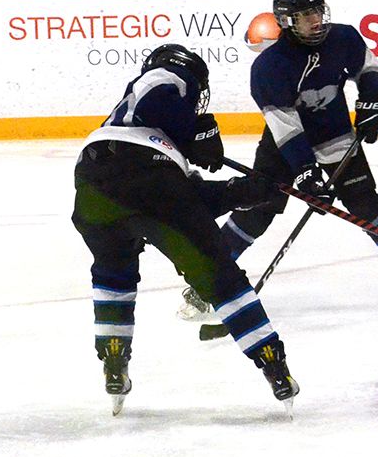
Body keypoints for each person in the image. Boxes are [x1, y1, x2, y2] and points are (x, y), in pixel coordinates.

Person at [178, 0, 378, 319]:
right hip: (283, 147)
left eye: (317, 11)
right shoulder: (269, 67)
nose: (315, 20)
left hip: (337, 135)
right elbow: (286, 126)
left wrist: (374, 101)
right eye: (304, 16)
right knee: (256, 208)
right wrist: (306, 172)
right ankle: (205, 281)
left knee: (367, 204)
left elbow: (368, 69)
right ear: (285, 21)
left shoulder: (344, 38)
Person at [71, 43, 300, 414]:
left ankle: (114, 361)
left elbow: (183, 203)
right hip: (150, 177)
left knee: (114, 270)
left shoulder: (135, 132)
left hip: (93, 185)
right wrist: (197, 132)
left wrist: (241, 191)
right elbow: (165, 193)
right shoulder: (168, 79)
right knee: (221, 276)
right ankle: (274, 365)